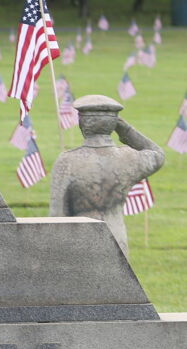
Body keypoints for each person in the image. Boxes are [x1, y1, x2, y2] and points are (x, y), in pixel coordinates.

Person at [47, 94, 162, 256]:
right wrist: (125, 130)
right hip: (117, 239)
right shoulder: (129, 158)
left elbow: (57, 216)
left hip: (79, 243)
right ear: (114, 124)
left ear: (81, 123)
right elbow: (157, 154)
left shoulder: (67, 161)